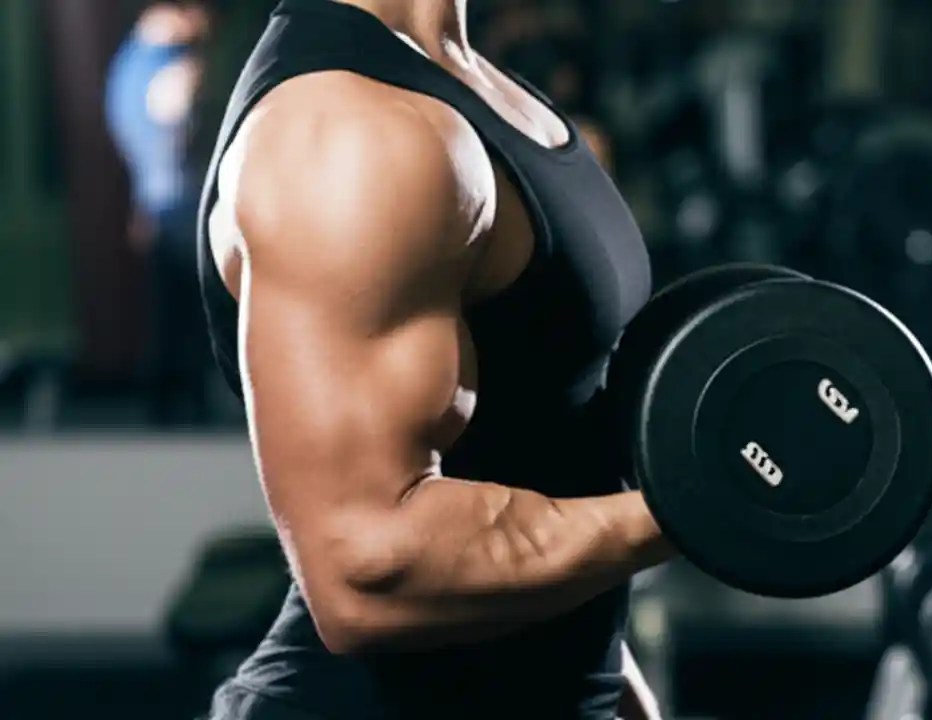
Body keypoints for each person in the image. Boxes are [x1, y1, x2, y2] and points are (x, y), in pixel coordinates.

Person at [199, 1, 670, 717]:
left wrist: (616, 694)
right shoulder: (347, 129)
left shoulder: (480, 89)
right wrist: (693, 508)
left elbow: (544, 453)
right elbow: (369, 569)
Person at [106, 0, 221, 427]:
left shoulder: (126, 64)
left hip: (156, 205)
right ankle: (186, 400)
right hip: (182, 207)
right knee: (189, 314)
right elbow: (177, 140)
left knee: (167, 313)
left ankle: (168, 400)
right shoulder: (177, 68)